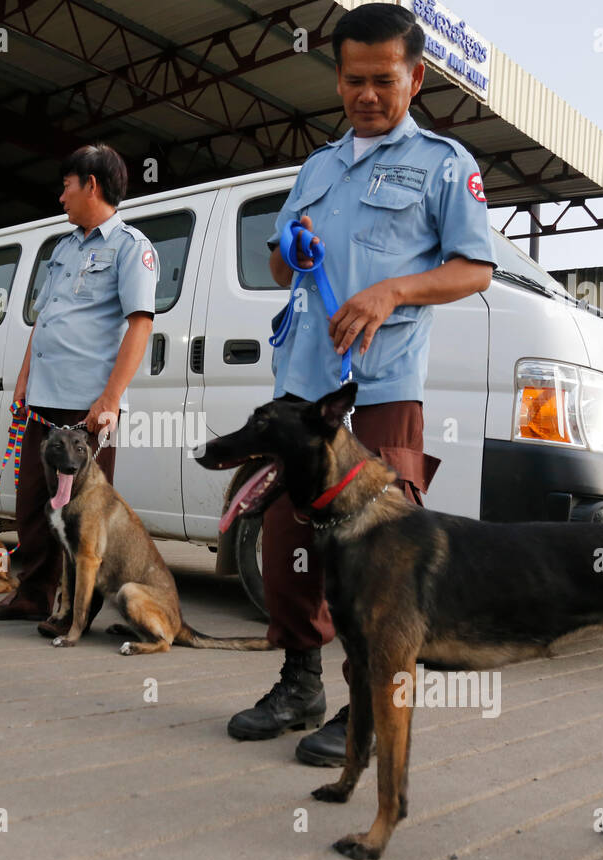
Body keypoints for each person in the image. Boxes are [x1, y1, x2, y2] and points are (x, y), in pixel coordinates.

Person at [226, 3, 496, 766]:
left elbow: (474, 268)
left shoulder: (447, 164)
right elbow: (281, 267)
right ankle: (298, 683)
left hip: (378, 390)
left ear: (415, 77)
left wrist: (392, 293)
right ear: (337, 78)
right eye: (354, 80)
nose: (368, 95)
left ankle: (367, 708)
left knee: (379, 559)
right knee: (286, 544)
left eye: (385, 79)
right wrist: (290, 243)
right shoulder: (315, 167)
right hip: (300, 392)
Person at [0, 143, 157, 632]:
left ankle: (79, 610)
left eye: (67, 186)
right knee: (33, 501)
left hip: (85, 409)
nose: (61, 197)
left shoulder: (132, 247)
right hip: (42, 400)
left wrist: (110, 399)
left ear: (91, 185)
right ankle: (32, 596)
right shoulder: (64, 247)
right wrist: (25, 378)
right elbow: (45, 319)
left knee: (81, 514)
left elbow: (140, 325)